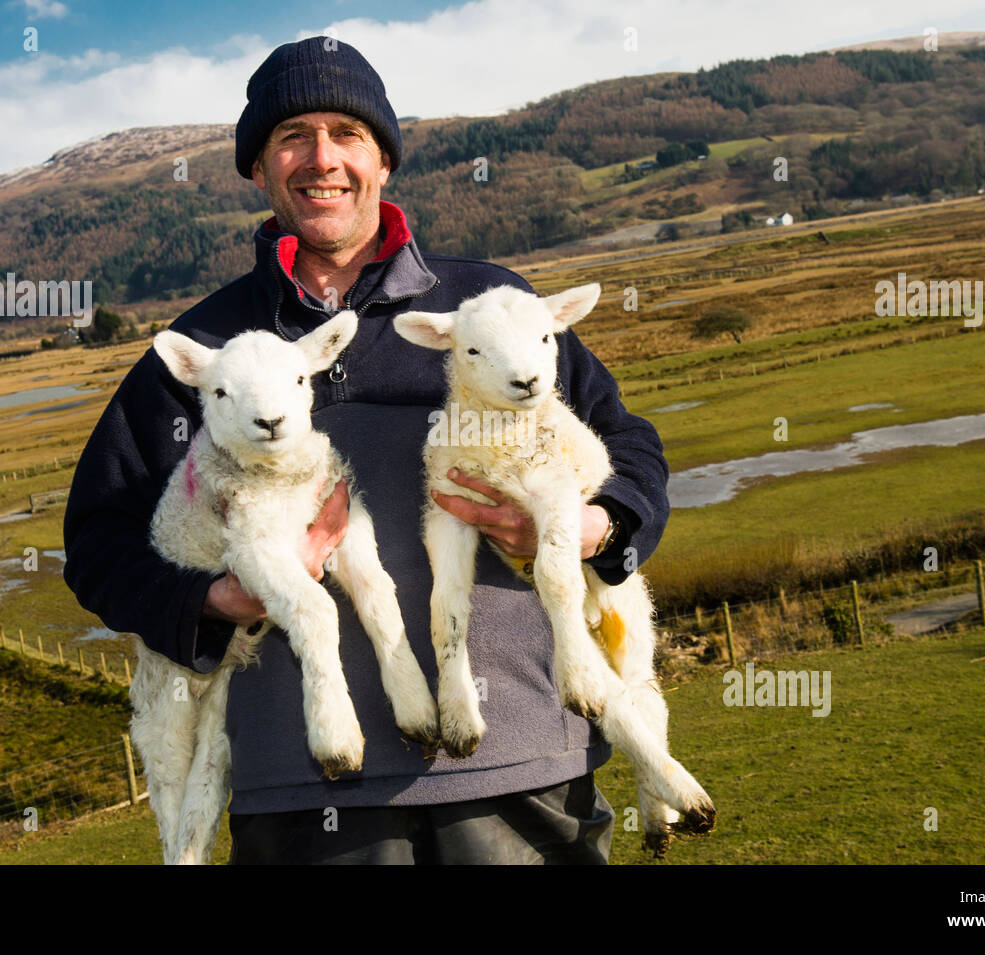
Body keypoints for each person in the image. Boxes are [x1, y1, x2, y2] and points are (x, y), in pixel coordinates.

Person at [62, 36, 670, 864]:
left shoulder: (484, 307)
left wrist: (588, 529)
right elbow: (98, 541)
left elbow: (628, 447)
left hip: (520, 762)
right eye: (291, 137)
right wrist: (219, 602)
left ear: (383, 159)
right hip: (304, 787)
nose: (322, 159)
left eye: (347, 134)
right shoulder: (203, 353)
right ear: (258, 169)